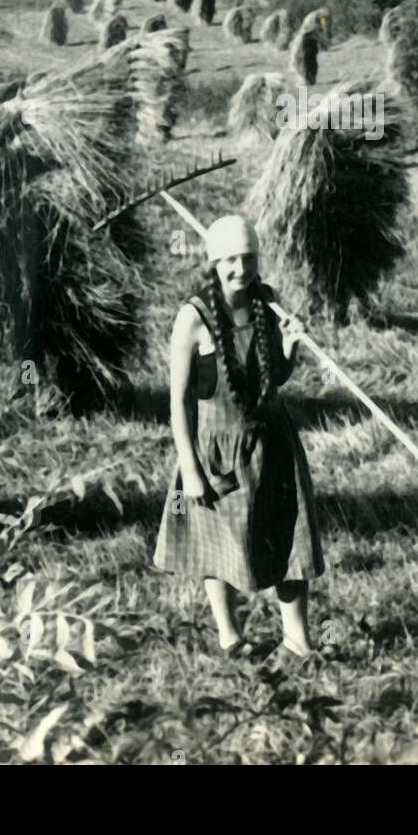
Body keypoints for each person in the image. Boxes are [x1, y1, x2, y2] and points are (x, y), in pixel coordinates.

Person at [153, 214, 326, 665]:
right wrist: (190, 469)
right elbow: (179, 402)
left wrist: (290, 344)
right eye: (230, 259)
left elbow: (275, 379)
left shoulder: (268, 304)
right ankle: (230, 637)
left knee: (290, 540)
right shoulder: (193, 318)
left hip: (273, 443)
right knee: (220, 545)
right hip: (218, 451)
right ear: (214, 262)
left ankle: (297, 641)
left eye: (248, 258)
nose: (241, 269)